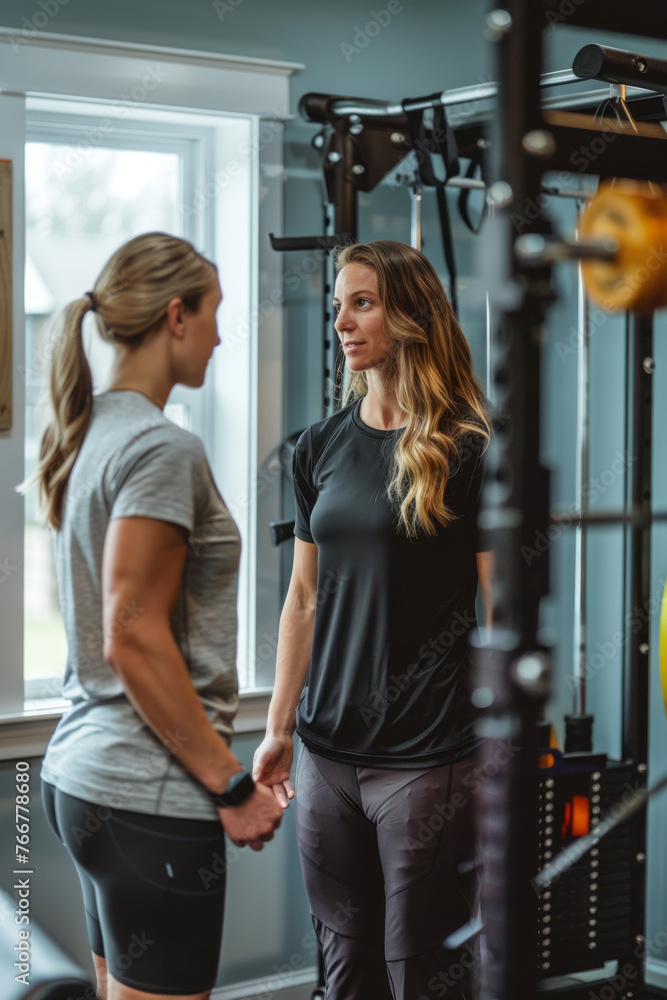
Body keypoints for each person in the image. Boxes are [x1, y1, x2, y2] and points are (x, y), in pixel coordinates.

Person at [29, 232, 283, 1000]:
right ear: (176, 315)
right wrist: (231, 787)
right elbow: (132, 636)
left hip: (87, 779)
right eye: (212, 315)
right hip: (148, 792)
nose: (215, 336)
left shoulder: (87, 430)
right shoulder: (158, 448)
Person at [253, 239, 493, 1000]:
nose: (343, 324)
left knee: (417, 969)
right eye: (338, 306)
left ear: (411, 314)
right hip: (327, 752)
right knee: (343, 969)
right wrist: (278, 728)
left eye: (362, 303)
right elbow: (303, 599)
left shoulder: (469, 448)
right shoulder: (317, 448)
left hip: (429, 756)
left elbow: (505, 616)